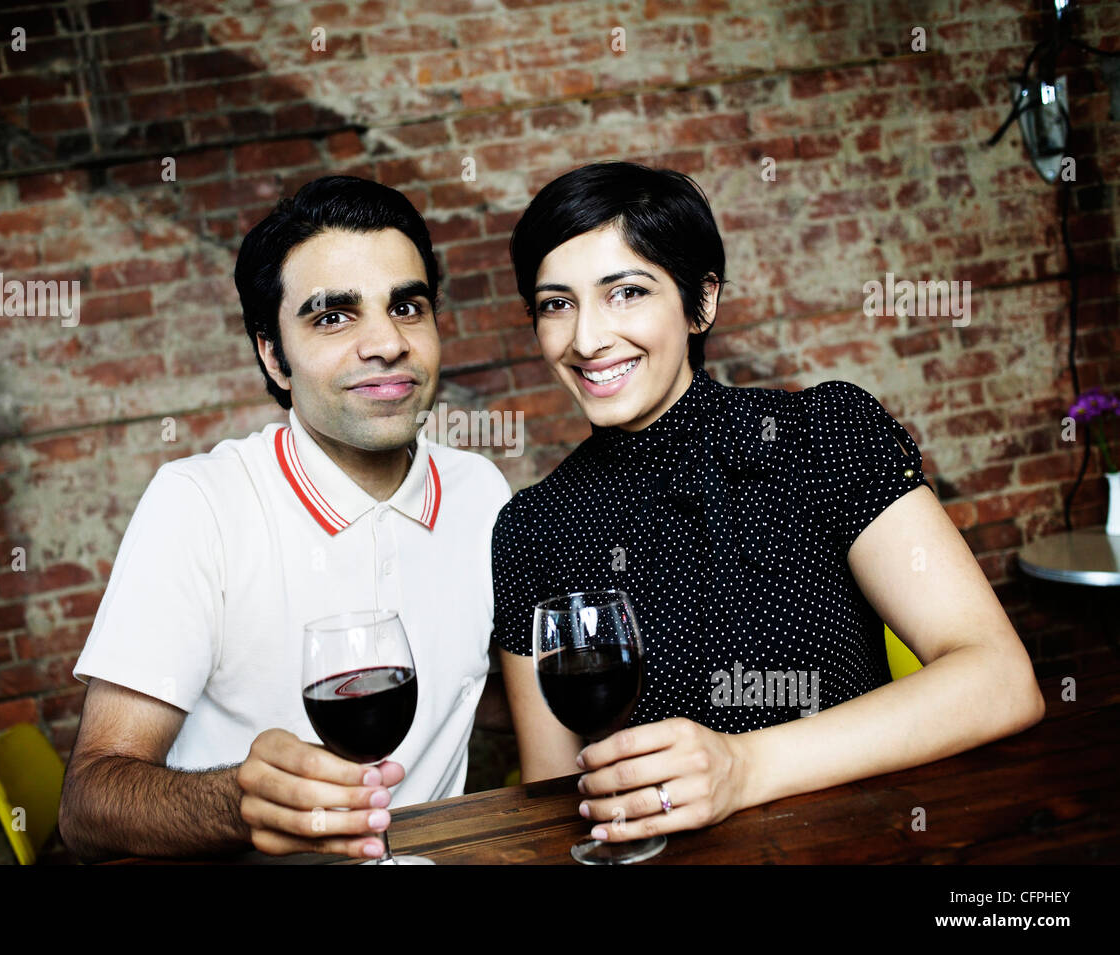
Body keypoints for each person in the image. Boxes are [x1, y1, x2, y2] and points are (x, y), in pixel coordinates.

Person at [492, 161, 1045, 845]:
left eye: (627, 292)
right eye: (556, 304)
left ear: (702, 302)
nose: (586, 338)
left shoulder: (824, 436)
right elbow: (553, 800)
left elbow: (1000, 678)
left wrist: (745, 766)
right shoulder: (532, 527)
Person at [59, 176, 512, 862]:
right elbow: (87, 801)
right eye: (333, 316)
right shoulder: (199, 503)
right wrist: (239, 799)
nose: (386, 342)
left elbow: (507, 690)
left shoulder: (482, 492)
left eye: (408, 306)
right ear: (273, 354)